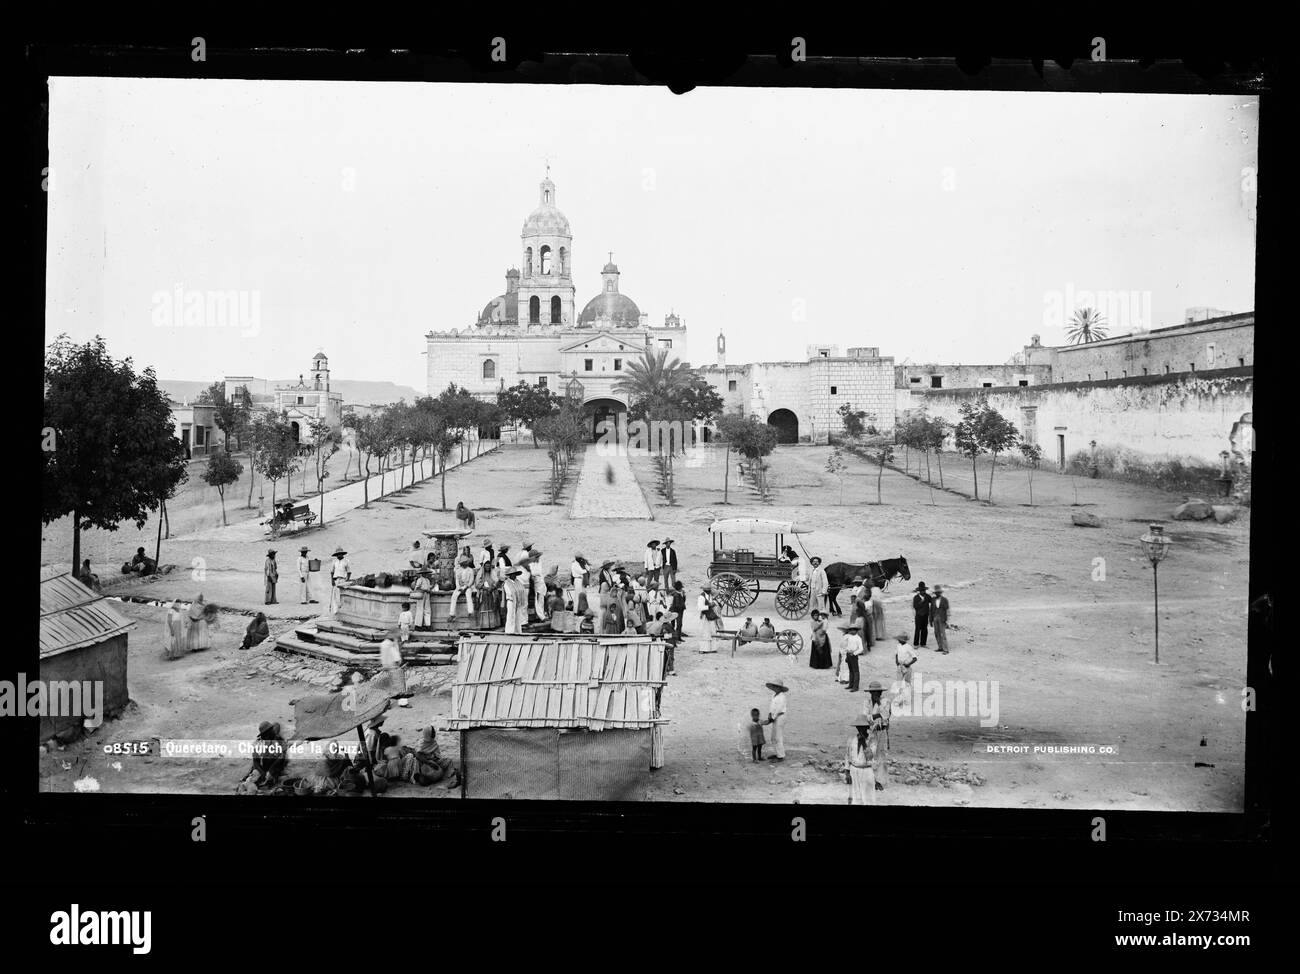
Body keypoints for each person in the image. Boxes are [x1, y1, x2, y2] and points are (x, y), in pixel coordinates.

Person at [846, 716, 878, 805]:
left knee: (868, 799)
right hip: (853, 770)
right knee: (855, 798)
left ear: (867, 727)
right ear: (856, 728)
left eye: (863, 727)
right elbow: (847, 755)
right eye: (859, 727)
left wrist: (864, 742)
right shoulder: (851, 739)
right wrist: (847, 772)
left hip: (866, 771)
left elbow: (870, 757)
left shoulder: (872, 740)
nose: (861, 729)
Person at [250, 721, 288, 787]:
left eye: (273, 730)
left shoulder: (278, 740)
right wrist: (262, 773)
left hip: (275, 766)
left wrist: (271, 770)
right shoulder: (259, 743)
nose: (273, 732)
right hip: (265, 767)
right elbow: (255, 761)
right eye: (271, 730)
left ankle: (272, 776)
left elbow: (282, 756)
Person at [765, 681, 788, 760]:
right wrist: (770, 714)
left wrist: (773, 717)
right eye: (774, 686)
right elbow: (772, 707)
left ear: (780, 688)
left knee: (778, 737)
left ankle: (781, 756)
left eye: (776, 686)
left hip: (780, 717)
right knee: (773, 737)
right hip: (775, 717)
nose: (775, 688)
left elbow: (779, 708)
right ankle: (777, 754)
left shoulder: (782, 696)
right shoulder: (774, 695)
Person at [450, 558, 476, 623]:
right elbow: (457, 580)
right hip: (459, 587)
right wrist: (459, 588)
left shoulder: (470, 570)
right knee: (454, 596)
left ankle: (470, 611)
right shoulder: (458, 570)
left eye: (465, 562)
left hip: (468, 587)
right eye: (463, 562)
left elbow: (471, 580)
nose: (464, 563)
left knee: (468, 596)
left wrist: (465, 587)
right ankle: (452, 614)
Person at [841, 624, 864, 691]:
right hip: (848, 654)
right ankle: (851, 684)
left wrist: (854, 653)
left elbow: (861, 649)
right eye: (851, 629)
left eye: (853, 629)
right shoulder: (849, 637)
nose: (852, 631)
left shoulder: (858, 638)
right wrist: (847, 652)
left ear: (856, 630)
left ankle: (855, 686)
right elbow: (846, 645)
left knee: (855, 671)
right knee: (851, 670)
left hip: (853, 655)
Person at [329, 548, 352, 614]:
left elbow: (349, 572)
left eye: (340, 554)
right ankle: (335, 610)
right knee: (335, 595)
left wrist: (347, 580)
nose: (339, 555)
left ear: (342, 554)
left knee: (341, 594)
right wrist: (332, 581)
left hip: (343, 580)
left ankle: (341, 609)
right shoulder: (335, 562)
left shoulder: (346, 561)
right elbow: (332, 572)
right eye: (337, 554)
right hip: (336, 580)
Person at [930, 584, 950, 654]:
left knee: (943, 633)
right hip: (935, 617)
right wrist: (930, 620)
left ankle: (946, 649)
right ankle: (940, 647)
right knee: (936, 633)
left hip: (942, 618)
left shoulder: (945, 600)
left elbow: (947, 610)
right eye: (936, 592)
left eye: (938, 592)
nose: (937, 593)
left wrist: (946, 620)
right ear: (935, 593)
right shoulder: (933, 600)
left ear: (940, 593)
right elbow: (931, 610)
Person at [503, 568, 524, 633]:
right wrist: (516, 594)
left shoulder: (518, 582)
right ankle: (509, 631)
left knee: (518, 616)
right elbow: (509, 592)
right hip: (511, 601)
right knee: (510, 616)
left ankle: (517, 631)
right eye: (512, 574)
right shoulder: (506, 583)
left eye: (515, 574)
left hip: (518, 601)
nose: (514, 576)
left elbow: (522, 590)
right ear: (510, 575)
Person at [912, 582, 932, 648]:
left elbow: (932, 601)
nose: (923, 591)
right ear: (919, 591)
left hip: (926, 615)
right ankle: (916, 644)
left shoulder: (927, 596)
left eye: (924, 590)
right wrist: (921, 602)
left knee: (924, 629)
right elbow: (915, 606)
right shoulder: (916, 598)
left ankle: (923, 643)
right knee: (917, 629)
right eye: (922, 590)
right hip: (918, 616)